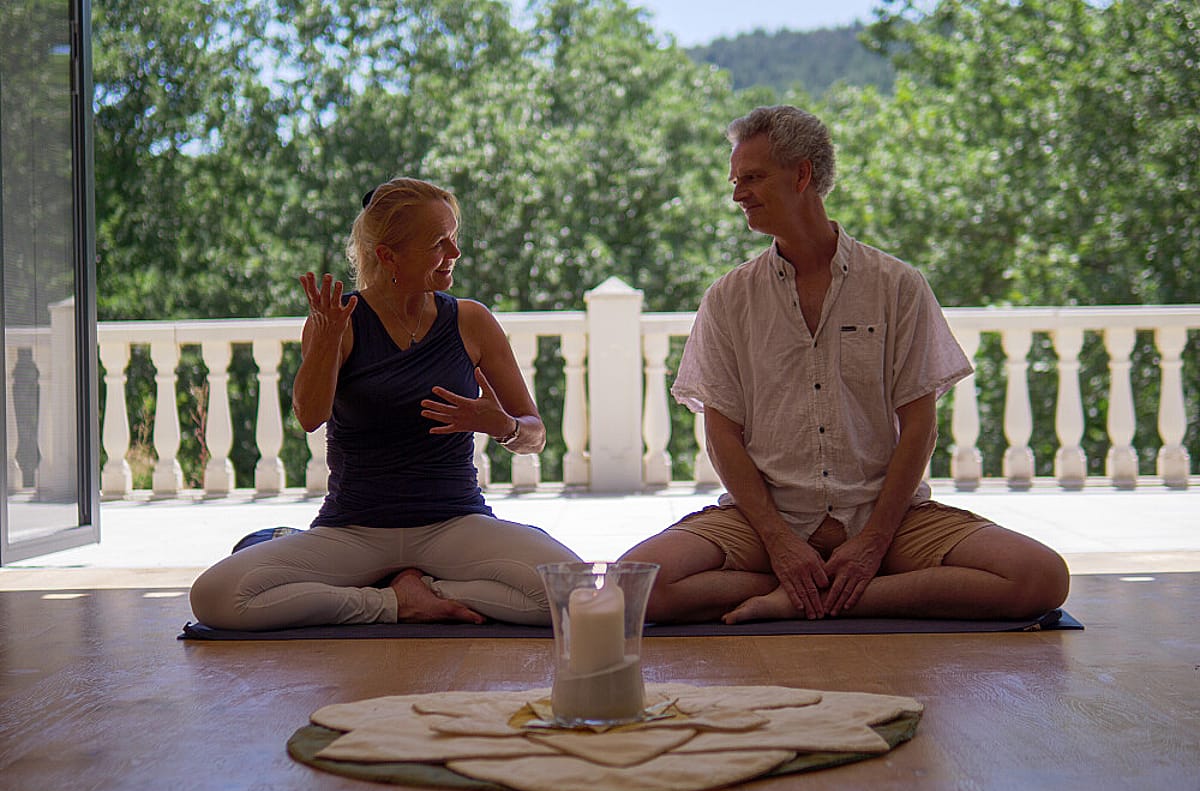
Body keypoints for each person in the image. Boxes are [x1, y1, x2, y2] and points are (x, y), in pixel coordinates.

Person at [620, 106, 1069, 625]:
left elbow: (919, 424)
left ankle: (809, 597)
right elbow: (721, 432)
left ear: (803, 175)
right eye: (735, 180)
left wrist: (876, 540)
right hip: (765, 522)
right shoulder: (729, 297)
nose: (737, 193)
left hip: (889, 520)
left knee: (1042, 577)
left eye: (752, 177)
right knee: (636, 584)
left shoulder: (896, 285)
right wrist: (780, 543)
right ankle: (813, 581)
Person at [190, 178, 580, 630]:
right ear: (388, 255)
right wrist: (326, 341)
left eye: (454, 239)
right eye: (439, 243)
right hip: (355, 530)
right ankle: (390, 602)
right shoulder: (340, 321)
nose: (453, 254)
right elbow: (310, 416)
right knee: (215, 597)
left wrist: (502, 425)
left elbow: (536, 435)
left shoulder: (472, 321)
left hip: (453, 524)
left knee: (577, 592)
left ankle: (433, 592)